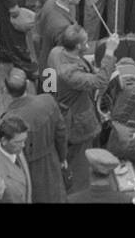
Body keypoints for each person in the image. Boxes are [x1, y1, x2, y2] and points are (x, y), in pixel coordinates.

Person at [50, 26, 118, 192]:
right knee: (80, 159)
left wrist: (52, 95)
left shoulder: (56, 52)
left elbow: (48, 75)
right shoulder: (69, 73)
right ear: (79, 46)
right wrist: (109, 52)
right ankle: (76, 192)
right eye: (86, 41)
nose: (88, 44)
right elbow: (100, 83)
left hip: (61, 104)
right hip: (77, 121)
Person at [1, 66, 68, 203]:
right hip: (51, 158)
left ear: (6, 90)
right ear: (27, 84)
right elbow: (61, 132)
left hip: (26, 169)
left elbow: (9, 154)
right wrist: (62, 157)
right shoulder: (48, 101)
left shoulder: (9, 120)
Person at [36, 0, 84, 71]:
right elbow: (65, 57)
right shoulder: (63, 27)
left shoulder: (49, 3)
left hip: (44, 61)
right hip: (53, 74)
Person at [0, 116, 33, 204]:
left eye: (24, 140)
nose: (23, 145)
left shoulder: (17, 149)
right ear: (4, 141)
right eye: (18, 142)